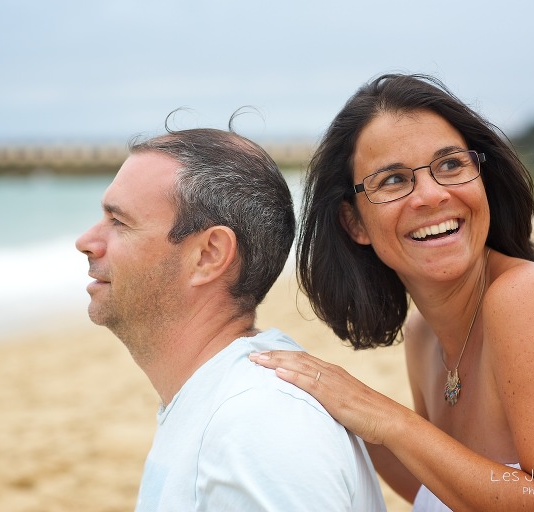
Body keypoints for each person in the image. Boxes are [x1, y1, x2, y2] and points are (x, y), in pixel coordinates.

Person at [250, 74, 534, 511]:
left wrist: (388, 419)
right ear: (354, 224)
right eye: (393, 180)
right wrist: (333, 408)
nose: (431, 195)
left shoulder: (529, 297)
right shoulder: (424, 337)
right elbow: (448, 491)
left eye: (450, 165)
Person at [75, 124, 386, 511]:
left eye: (119, 222)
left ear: (208, 255)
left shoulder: (256, 425)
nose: (86, 241)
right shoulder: (226, 403)